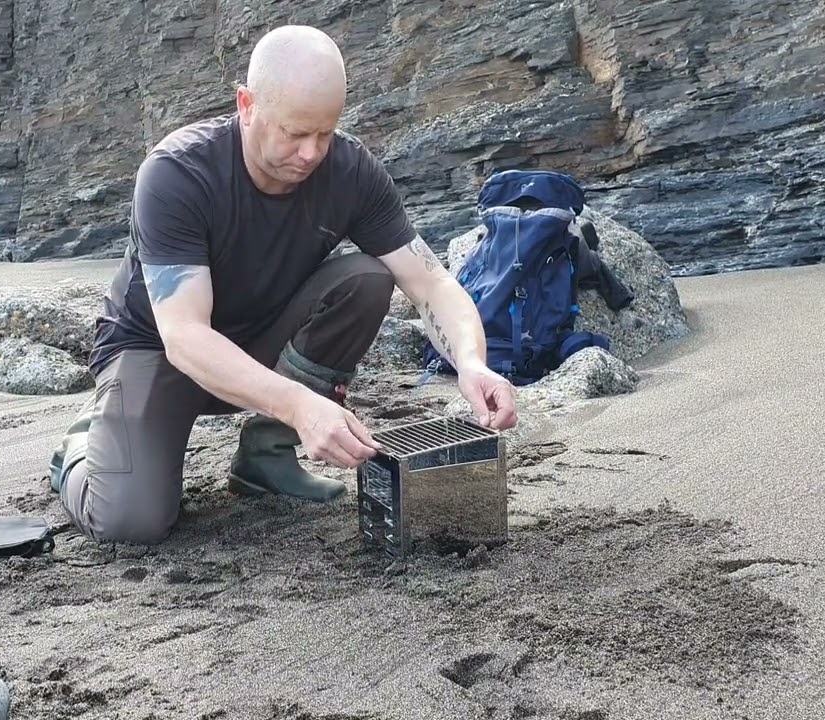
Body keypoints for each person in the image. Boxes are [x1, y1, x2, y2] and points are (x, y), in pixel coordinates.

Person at [47, 25, 518, 544]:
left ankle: (265, 457)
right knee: (130, 522)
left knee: (365, 278)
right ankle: (79, 452)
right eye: (294, 132)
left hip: (260, 339)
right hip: (157, 352)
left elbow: (430, 283)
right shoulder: (177, 173)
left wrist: (472, 362)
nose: (312, 153)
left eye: (325, 132)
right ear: (246, 104)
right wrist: (301, 406)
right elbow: (184, 336)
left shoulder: (351, 171)